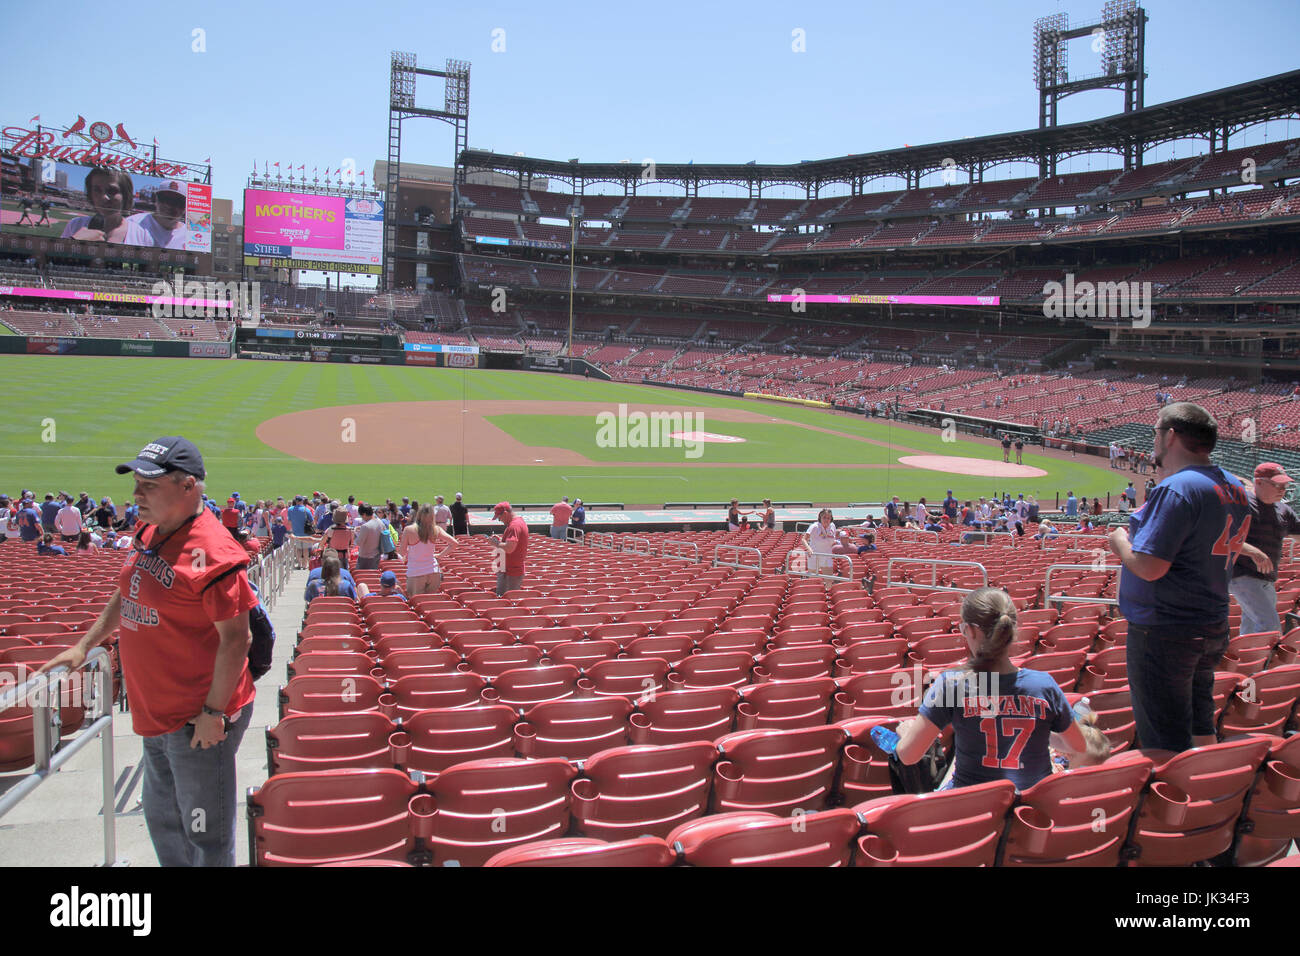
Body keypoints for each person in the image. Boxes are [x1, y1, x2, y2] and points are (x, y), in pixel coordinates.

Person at [39, 436, 257, 866]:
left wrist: (213, 714)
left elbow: (237, 639)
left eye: (149, 485)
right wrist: (85, 644)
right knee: (163, 822)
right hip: (154, 713)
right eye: (136, 483)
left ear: (188, 486)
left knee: (204, 835)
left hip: (198, 720)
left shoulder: (212, 552)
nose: (136, 494)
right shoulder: (150, 532)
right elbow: (128, 591)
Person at [1107, 403, 1258, 753]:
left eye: (1156, 432)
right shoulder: (1236, 486)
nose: (1155, 439)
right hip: (1211, 621)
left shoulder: (1178, 489)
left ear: (1171, 435)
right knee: (1200, 724)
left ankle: (1182, 804)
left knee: (1164, 740)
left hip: (1167, 628)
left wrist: (1118, 542)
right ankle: (1211, 797)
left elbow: (1150, 567)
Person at [894, 587, 1089, 791]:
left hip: (976, 808)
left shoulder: (951, 684)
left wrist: (905, 732)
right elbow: (1079, 746)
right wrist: (1037, 730)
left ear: (970, 630)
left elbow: (908, 756)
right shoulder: (1044, 685)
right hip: (1031, 810)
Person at [1229, 463, 1300, 637]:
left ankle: (1246, 662)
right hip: (1242, 576)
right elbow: (1221, 537)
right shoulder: (1240, 504)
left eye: (1285, 486)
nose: (1283, 490)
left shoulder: (1283, 510)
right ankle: (1263, 664)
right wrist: (1253, 551)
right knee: (1270, 627)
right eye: (1277, 485)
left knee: (1252, 625)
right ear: (1259, 482)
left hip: (1267, 579)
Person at [60, 166, 150, 245]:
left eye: (112, 191)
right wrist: (74, 242)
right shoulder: (75, 225)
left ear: (125, 195)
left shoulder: (141, 234)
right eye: (97, 190)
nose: (104, 197)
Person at [398, 502, 456, 597]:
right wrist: (440, 556)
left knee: (417, 603)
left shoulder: (409, 530)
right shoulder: (435, 529)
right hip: (433, 572)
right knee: (429, 603)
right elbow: (454, 543)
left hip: (416, 573)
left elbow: (401, 552)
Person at [128, 180, 188, 249]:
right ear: (156, 200)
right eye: (166, 200)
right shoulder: (133, 223)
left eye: (179, 202)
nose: (170, 206)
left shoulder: (190, 235)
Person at [489, 502, 529, 596]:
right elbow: (511, 544)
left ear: (505, 513)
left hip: (510, 573)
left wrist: (496, 543)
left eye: (499, 517)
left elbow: (510, 548)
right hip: (511, 571)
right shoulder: (517, 523)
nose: (499, 520)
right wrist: (500, 541)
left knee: (506, 602)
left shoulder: (514, 526)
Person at [802, 508, 839, 575]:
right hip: (814, 556)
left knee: (829, 579)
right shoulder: (814, 527)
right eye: (824, 517)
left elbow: (832, 540)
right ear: (820, 518)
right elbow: (804, 539)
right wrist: (808, 549)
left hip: (827, 556)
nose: (826, 520)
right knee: (813, 580)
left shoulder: (832, 526)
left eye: (828, 518)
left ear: (831, 519)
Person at [353, 503, 385, 571]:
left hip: (365, 557)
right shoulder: (380, 522)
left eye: (361, 515)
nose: (362, 518)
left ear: (364, 514)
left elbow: (359, 543)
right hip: (377, 555)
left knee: (362, 576)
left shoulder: (366, 526)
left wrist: (354, 535)